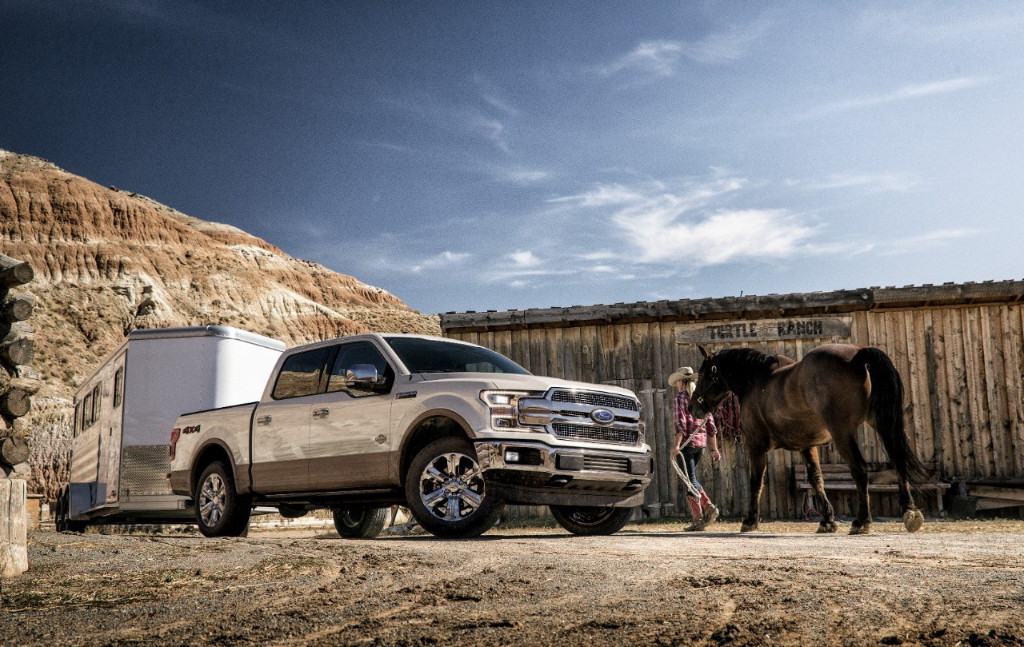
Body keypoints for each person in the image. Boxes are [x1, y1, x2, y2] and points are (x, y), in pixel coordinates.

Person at [668, 366, 721, 531]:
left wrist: (676, 446)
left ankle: (701, 516)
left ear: (682, 382)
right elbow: (711, 426)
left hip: (687, 445)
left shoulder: (681, 398)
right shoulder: (701, 399)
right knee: (691, 479)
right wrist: (714, 449)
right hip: (701, 445)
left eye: (677, 382)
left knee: (690, 481)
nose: (677, 385)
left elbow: (680, 424)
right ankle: (706, 510)